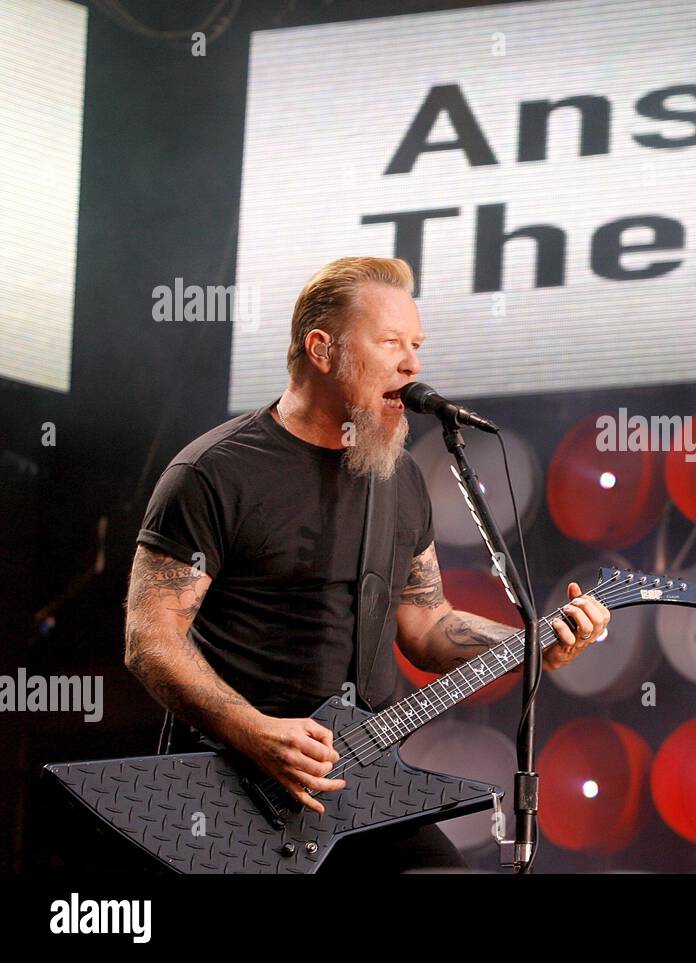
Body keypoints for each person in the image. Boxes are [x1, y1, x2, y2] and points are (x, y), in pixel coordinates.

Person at [123, 256, 610, 871]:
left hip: (361, 788)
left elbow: (428, 627)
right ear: (321, 350)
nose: (413, 365)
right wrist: (253, 729)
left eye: (416, 346)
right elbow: (150, 639)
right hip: (232, 791)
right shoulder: (215, 471)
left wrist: (535, 642)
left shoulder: (398, 477)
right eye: (390, 343)